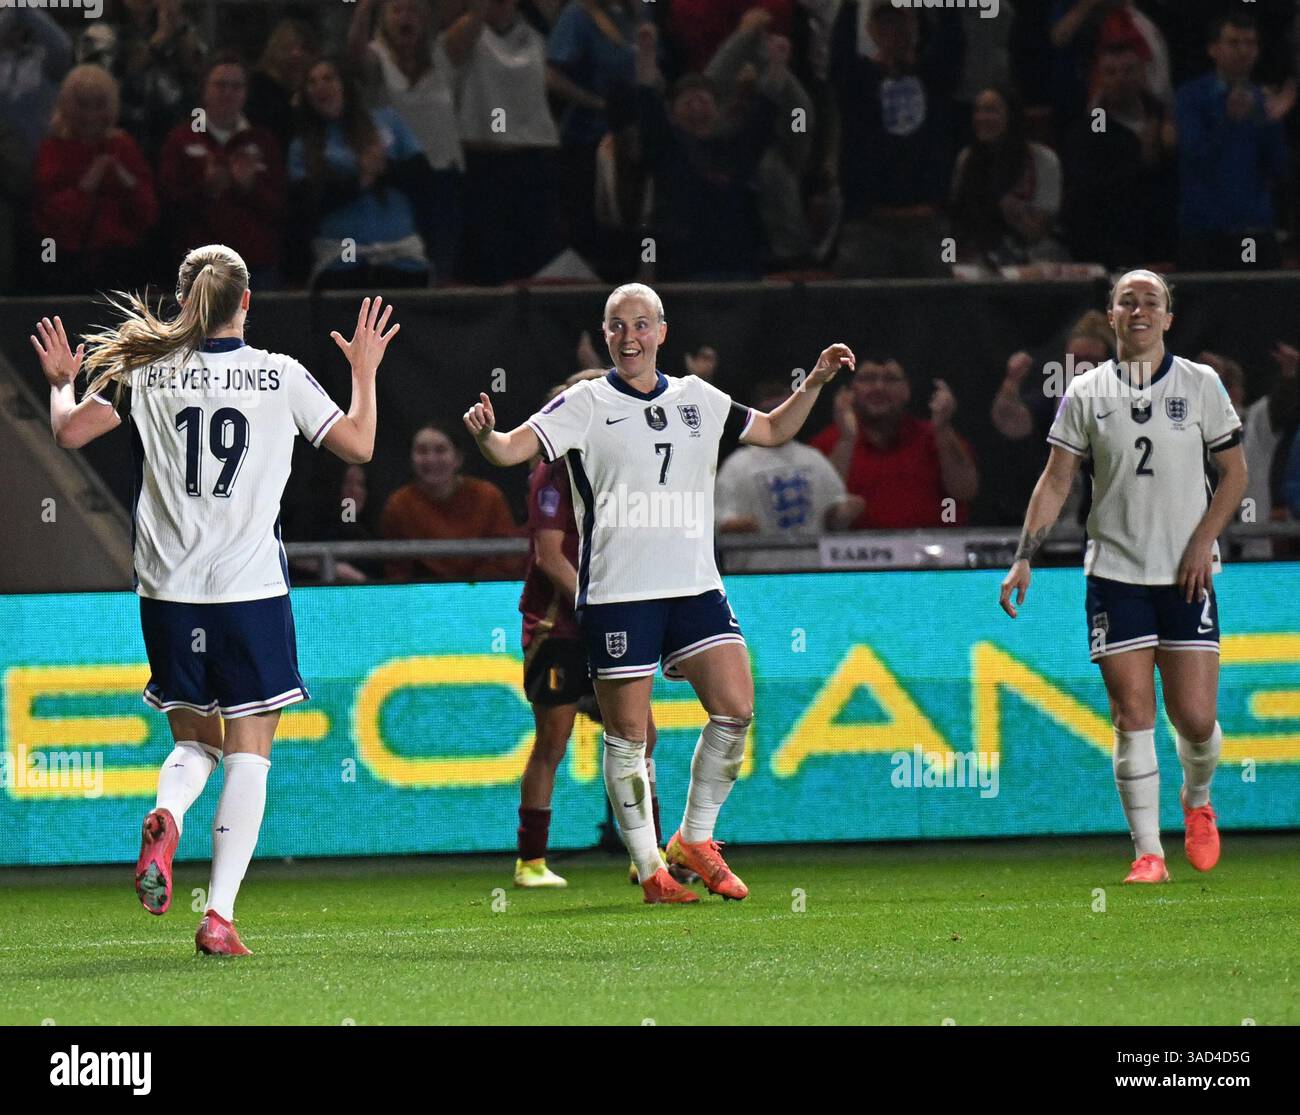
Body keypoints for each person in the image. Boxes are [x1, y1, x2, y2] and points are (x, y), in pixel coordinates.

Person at [32, 245, 398, 954]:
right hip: (249, 592)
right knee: (250, 754)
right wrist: (363, 371)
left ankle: (168, 813)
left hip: (167, 594)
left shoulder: (145, 371)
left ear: (182, 299)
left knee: (195, 740)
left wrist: (59, 384)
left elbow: (68, 430)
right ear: (247, 302)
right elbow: (358, 444)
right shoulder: (280, 374)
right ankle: (219, 914)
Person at [463, 281, 854, 903]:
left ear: (662, 332)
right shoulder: (584, 403)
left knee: (736, 707)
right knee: (628, 738)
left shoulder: (697, 397)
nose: (629, 337)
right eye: (617, 326)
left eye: (641, 325)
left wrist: (814, 382)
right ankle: (651, 871)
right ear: (608, 333)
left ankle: (694, 840)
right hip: (620, 594)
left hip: (696, 586)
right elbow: (511, 449)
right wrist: (486, 434)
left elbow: (775, 431)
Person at [999, 270, 1247, 885]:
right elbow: (1057, 478)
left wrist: (1202, 543)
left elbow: (1235, 474)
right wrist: (1025, 553)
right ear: (1110, 316)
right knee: (1130, 713)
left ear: (1168, 318)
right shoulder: (1086, 393)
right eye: (1126, 301)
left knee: (1194, 718)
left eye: (1151, 302)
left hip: (1186, 574)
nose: (1138, 310)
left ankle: (1197, 801)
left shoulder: (1202, 383)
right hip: (1114, 573)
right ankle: (1148, 853)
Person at [513, 370, 672, 888]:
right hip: (559, 629)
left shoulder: (613, 473)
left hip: (607, 622)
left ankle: (647, 856)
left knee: (640, 736)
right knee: (552, 743)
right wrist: (600, 601)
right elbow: (550, 558)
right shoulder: (550, 475)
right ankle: (531, 861)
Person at [288, 57, 435, 289]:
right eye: (312, 82)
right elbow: (307, 204)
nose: (321, 87)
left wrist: (383, 168)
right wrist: (361, 179)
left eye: (328, 78)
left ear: (346, 85)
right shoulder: (302, 146)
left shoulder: (388, 122)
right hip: (342, 262)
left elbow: (422, 177)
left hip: (401, 259)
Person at [347, 0, 464, 283]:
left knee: (444, 254)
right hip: (399, 174)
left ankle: (438, 314)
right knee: (405, 258)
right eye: (397, 10)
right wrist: (364, 8)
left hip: (443, 170)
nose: (405, 17)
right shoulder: (376, 56)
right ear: (383, 18)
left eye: (413, 10)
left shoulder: (441, 53)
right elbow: (353, 57)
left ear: (425, 19)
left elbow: (477, 16)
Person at [157, 53, 286, 290]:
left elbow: (280, 206)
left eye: (236, 86)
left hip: (255, 266)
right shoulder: (182, 138)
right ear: (205, 90)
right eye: (220, 85)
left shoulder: (263, 140)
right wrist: (205, 188)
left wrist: (249, 188)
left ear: (246, 93)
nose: (228, 93)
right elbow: (167, 204)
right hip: (199, 267)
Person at [1175, 13, 1289, 271]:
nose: (1243, 51)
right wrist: (1228, 122)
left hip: (1254, 227)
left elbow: (1280, 169)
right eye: (1234, 42)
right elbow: (1194, 156)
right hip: (1206, 229)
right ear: (1214, 49)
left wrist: (1272, 123)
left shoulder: (1263, 100)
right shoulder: (1191, 97)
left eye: (1250, 43)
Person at [32, 63, 158, 294]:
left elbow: (147, 213)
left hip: (119, 264)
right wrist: (87, 184)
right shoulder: (53, 149)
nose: (90, 114)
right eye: (82, 104)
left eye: (99, 105)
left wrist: (124, 178)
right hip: (66, 263)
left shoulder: (122, 146)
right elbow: (50, 218)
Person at [811, 358, 979, 528]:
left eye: (891, 379)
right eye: (868, 379)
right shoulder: (830, 441)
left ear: (907, 390)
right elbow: (816, 510)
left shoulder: (936, 436)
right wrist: (847, 440)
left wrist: (943, 429)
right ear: (848, 392)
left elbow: (965, 491)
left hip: (936, 549)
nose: (879, 387)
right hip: (857, 552)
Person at [716, 378, 863, 556]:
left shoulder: (813, 459)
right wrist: (741, 526)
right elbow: (721, 522)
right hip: (757, 574)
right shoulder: (737, 466)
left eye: (783, 410)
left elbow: (834, 515)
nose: (778, 418)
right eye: (769, 411)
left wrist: (843, 512)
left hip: (811, 570)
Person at [379, 423, 521, 582]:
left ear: (458, 458)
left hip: (482, 593)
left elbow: (507, 559)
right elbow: (395, 568)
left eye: (440, 450)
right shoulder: (399, 504)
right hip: (423, 596)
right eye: (422, 451)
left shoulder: (488, 496)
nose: (431, 459)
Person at [949, 86, 1068, 269]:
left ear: (1012, 116)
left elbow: (1038, 232)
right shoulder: (966, 158)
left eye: (991, 111)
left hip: (1034, 257)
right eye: (978, 111)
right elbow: (957, 222)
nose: (982, 118)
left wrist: (1014, 212)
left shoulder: (1043, 160)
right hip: (975, 257)